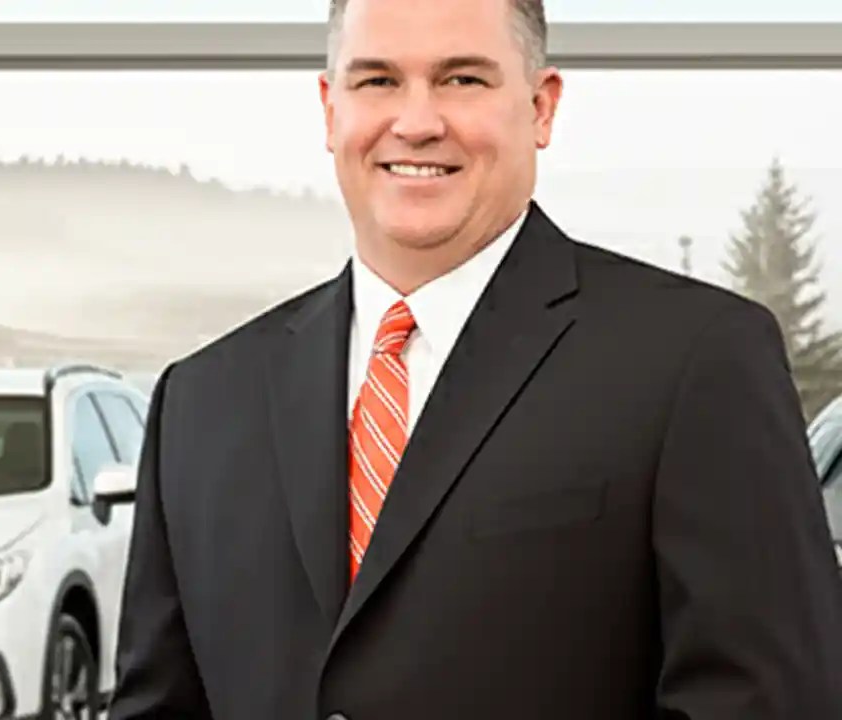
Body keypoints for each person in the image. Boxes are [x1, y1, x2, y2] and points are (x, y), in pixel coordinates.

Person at [108, 0, 842, 717]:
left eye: (463, 79)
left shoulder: (697, 359)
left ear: (541, 106)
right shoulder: (201, 402)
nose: (418, 122)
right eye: (378, 80)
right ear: (330, 111)